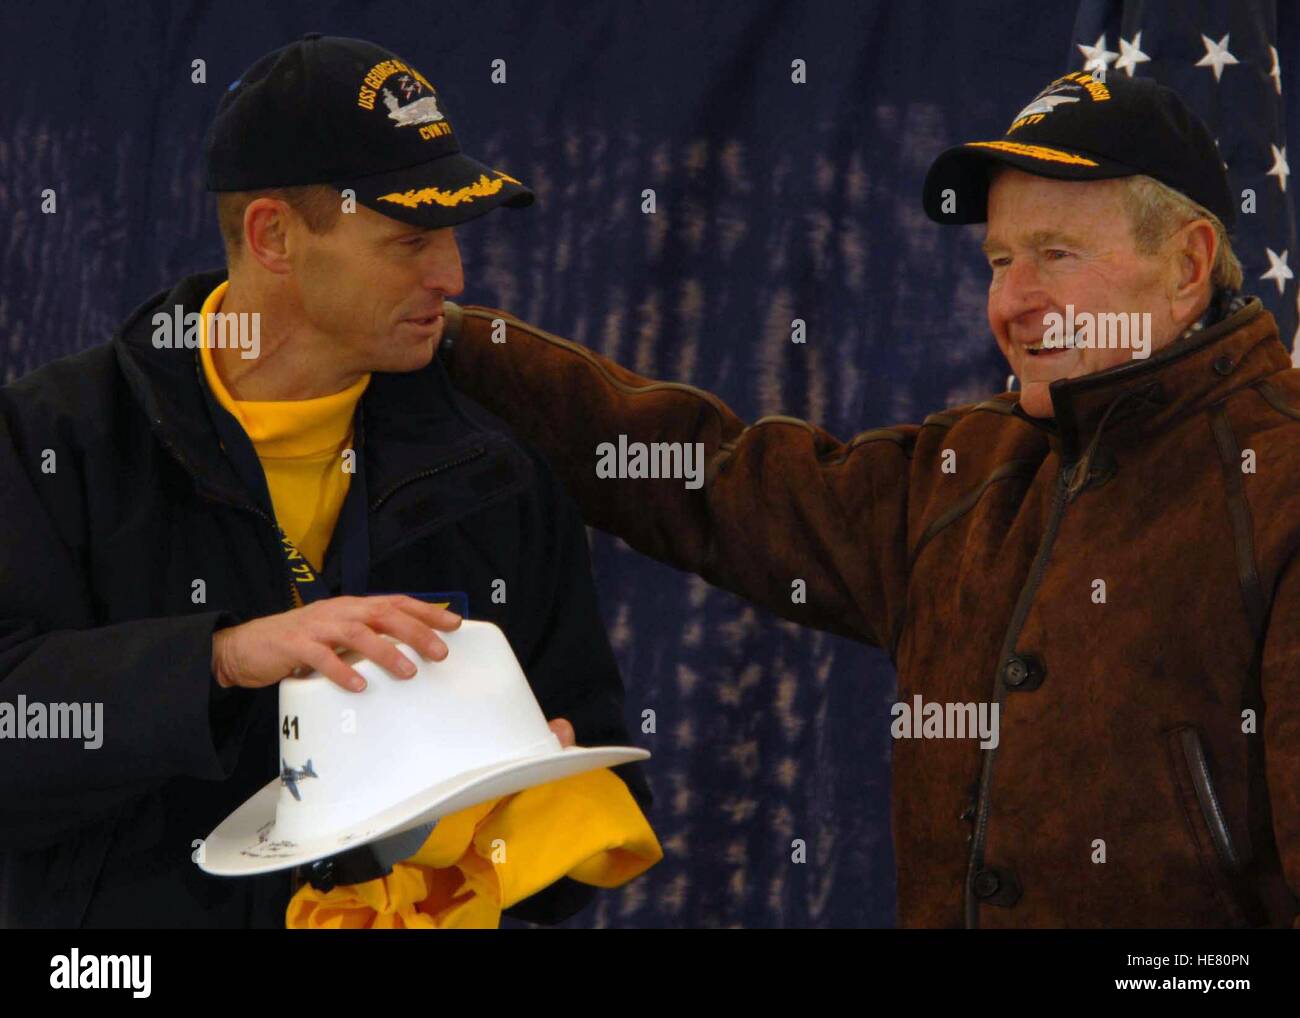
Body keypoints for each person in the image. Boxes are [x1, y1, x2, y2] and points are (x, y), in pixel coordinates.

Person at [437, 71, 1300, 927]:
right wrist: (455, 342)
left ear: (1187, 265)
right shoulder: (969, 471)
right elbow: (710, 477)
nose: (1012, 301)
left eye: (1056, 254)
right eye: (999, 260)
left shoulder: (1279, 485)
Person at [0, 34, 650, 928]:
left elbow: (586, 828)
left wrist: (514, 807)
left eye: (453, 237)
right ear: (273, 236)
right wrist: (220, 660)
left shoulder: (496, 474)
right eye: (410, 239)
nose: (453, 276)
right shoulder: (51, 441)